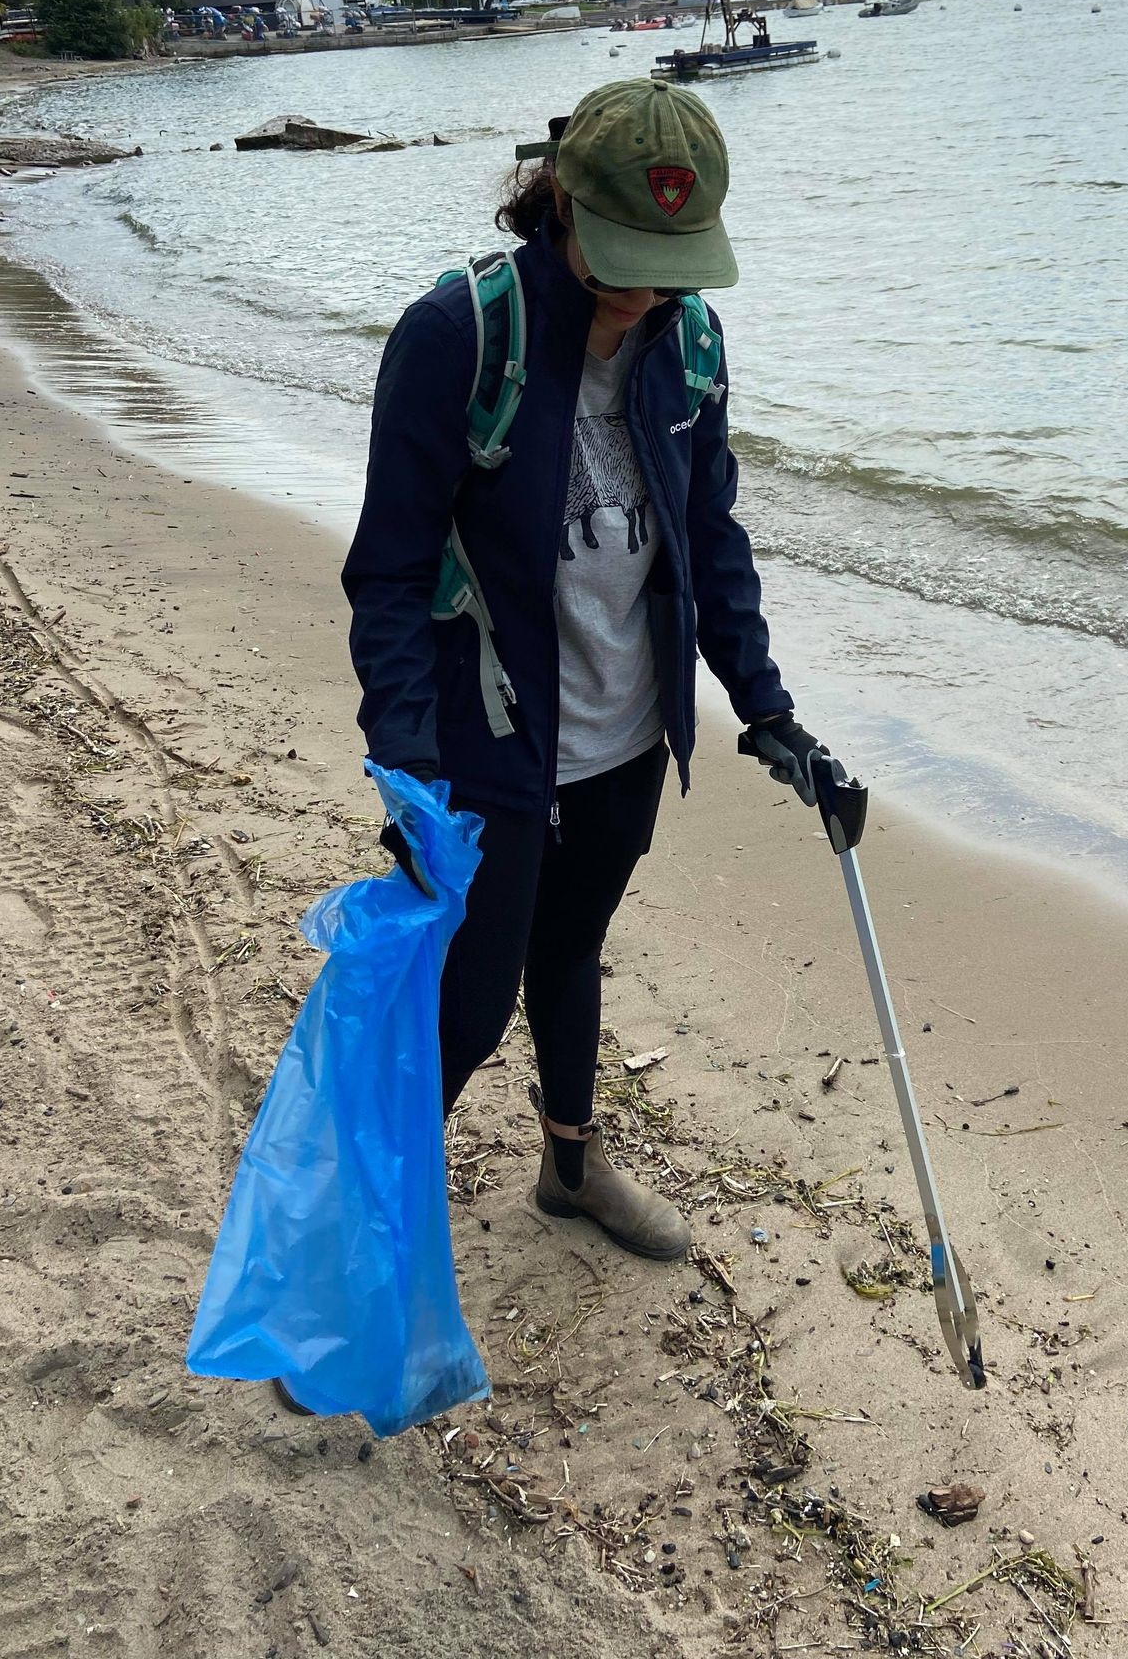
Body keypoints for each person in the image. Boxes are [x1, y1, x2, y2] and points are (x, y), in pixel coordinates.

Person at [341, 78, 841, 1269]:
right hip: (490, 740)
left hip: (625, 730)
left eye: (670, 260)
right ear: (558, 201)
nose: (644, 286)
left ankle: (569, 1163)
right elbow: (389, 573)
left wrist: (765, 705)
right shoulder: (459, 336)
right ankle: (361, 1243)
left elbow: (710, 539)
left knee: (569, 952)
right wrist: (408, 764)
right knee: (465, 1001)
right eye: (621, 252)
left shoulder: (695, 346)